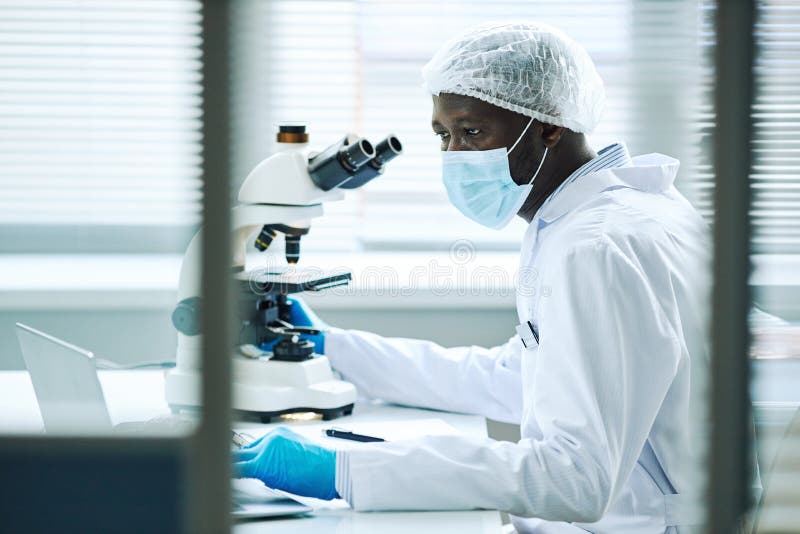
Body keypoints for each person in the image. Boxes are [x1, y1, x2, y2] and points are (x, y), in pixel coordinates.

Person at [234, 21, 710, 533]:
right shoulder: (608, 213)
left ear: (550, 123)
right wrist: (331, 348)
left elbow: (576, 478)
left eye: (472, 131)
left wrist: (344, 470)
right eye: (443, 135)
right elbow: (514, 379)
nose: (454, 156)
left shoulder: (593, 246)